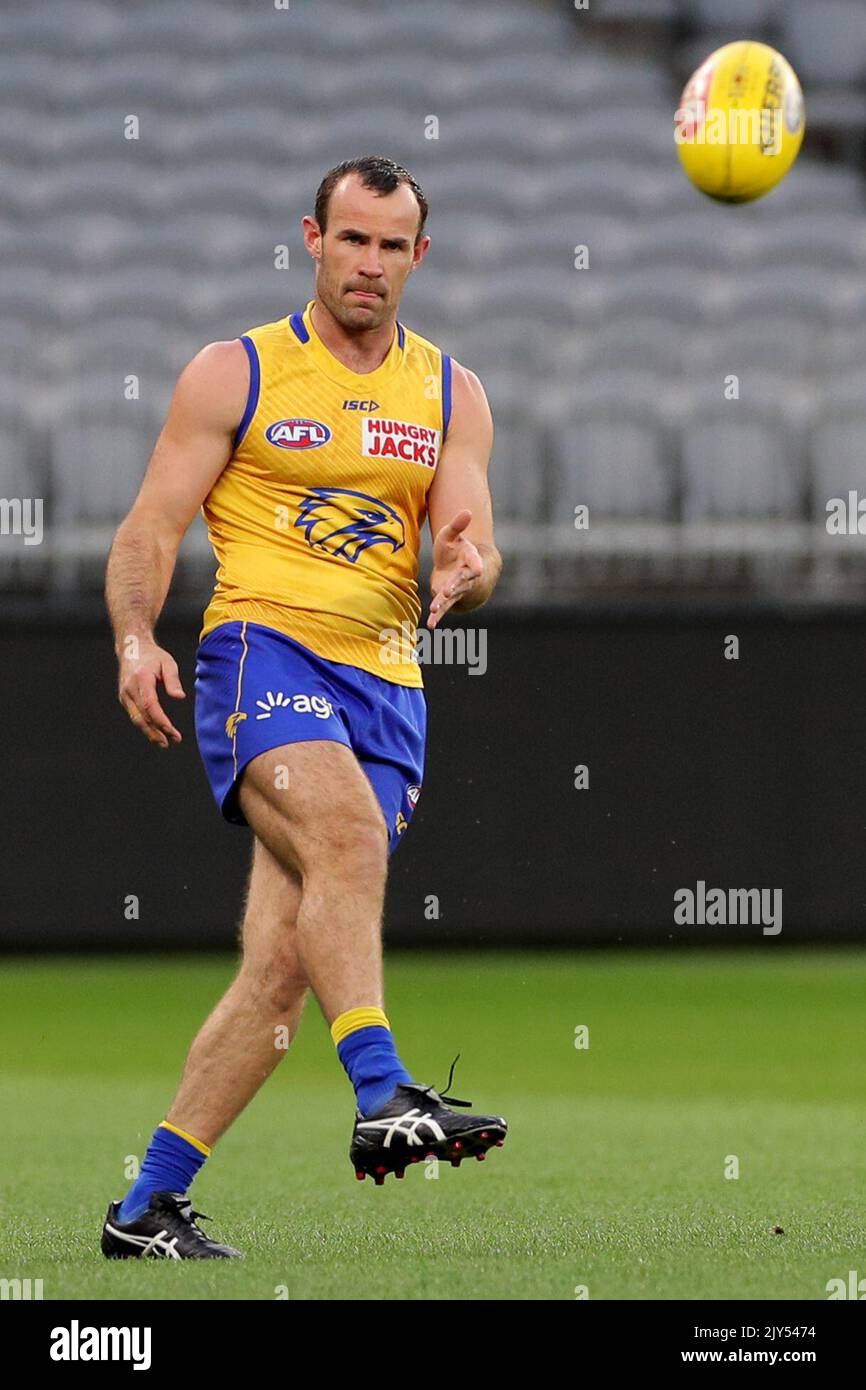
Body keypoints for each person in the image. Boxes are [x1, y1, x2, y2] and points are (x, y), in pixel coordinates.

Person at [102, 155, 506, 1259]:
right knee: (348, 838)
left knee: (283, 973)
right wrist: (136, 637)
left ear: (419, 256)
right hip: (263, 650)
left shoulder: (451, 393)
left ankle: (145, 1210)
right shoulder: (232, 373)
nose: (369, 262)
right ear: (313, 239)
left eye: (391, 245)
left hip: (389, 686)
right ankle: (384, 1093)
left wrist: (470, 566)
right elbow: (149, 528)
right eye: (352, 239)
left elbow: (471, 538)